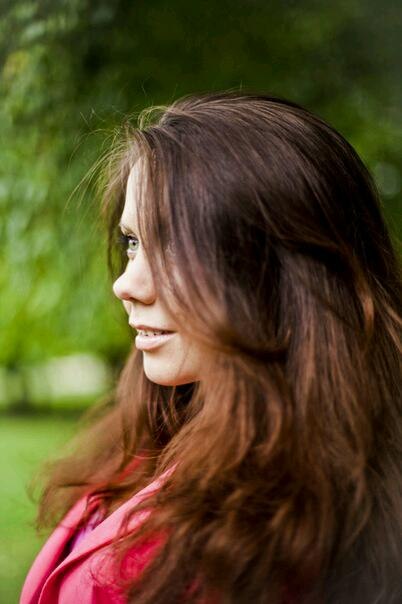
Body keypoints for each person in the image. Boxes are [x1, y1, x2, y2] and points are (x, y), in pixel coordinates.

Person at [20, 91, 402, 604]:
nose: (125, 284)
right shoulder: (157, 433)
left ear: (285, 275)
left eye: (176, 245)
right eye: (132, 242)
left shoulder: (277, 544)